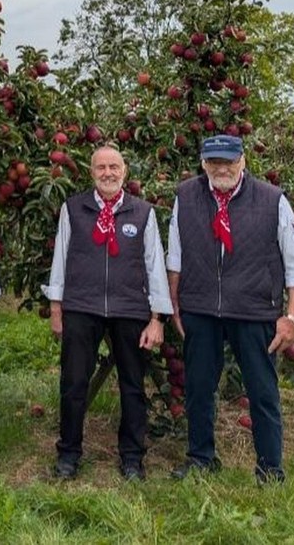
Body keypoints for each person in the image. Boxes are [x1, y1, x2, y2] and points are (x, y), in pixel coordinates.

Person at [167, 135, 294, 483]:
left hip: (253, 309)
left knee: (262, 390)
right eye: (214, 161)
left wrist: (292, 316)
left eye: (229, 160)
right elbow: (175, 256)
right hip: (201, 307)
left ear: (243, 161)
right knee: (199, 387)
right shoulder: (186, 196)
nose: (222, 168)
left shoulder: (271, 200)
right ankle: (201, 457)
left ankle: (270, 467)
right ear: (203, 163)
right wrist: (174, 304)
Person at [42, 146, 171, 480]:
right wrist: (57, 307)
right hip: (82, 306)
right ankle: (68, 453)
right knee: (73, 383)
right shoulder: (74, 208)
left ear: (124, 172)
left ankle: (132, 457)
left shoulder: (142, 212)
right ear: (91, 172)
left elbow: (154, 264)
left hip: (130, 308)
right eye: (101, 167)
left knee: (132, 385)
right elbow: (61, 258)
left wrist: (157, 318)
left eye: (114, 167)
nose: (108, 173)